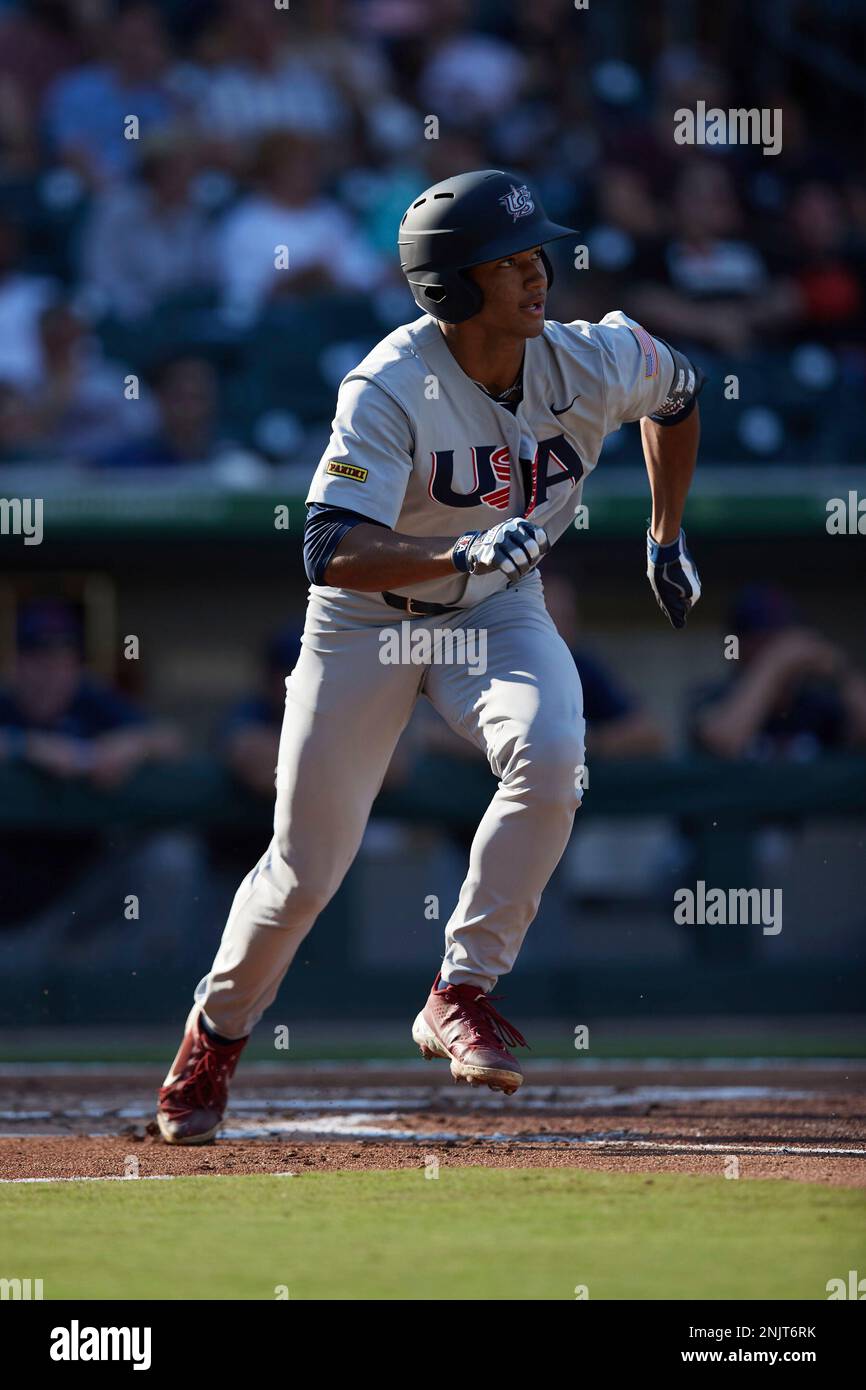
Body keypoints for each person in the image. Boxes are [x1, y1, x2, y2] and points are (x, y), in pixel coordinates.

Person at [156, 167, 703, 1144]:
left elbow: (680, 393)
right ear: (451, 285)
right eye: (511, 262)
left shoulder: (587, 358)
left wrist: (663, 535)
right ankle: (215, 1033)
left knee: (551, 754)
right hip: (368, 617)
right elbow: (327, 548)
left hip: (495, 608)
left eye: (539, 254)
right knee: (304, 868)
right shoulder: (388, 381)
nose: (539, 274)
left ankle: (459, 986)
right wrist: (452, 550)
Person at [690, 586, 866, 760]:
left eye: (783, 640)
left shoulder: (819, 706)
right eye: (763, 641)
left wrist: (840, 669)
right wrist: (774, 664)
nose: (781, 650)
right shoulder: (714, 697)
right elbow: (722, 744)